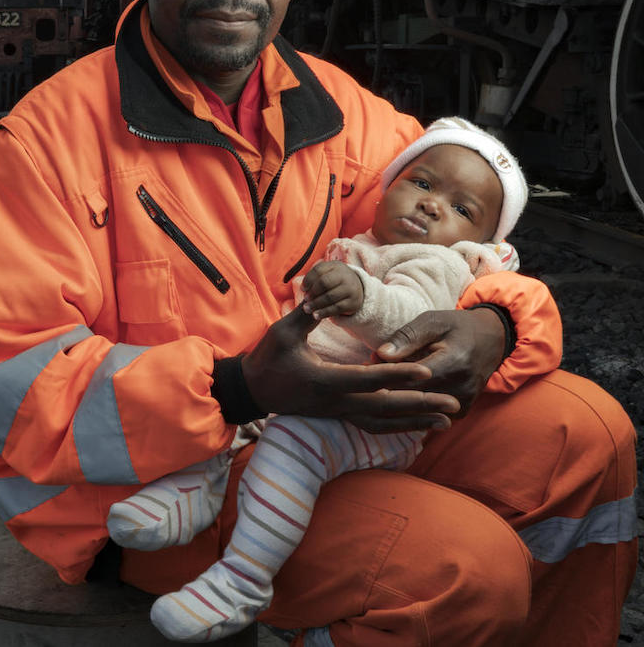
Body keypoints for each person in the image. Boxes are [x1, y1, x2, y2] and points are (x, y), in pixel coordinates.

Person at [0, 0, 637, 645]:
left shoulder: (343, 112)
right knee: (461, 570)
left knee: (589, 436)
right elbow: (10, 385)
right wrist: (236, 389)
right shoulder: (47, 142)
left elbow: (459, 240)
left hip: (319, 417)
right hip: (134, 486)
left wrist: (498, 324)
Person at [110, 117, 531, 641]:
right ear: (386, 188)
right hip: (314, 388)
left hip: (372, 415)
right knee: (226, 400)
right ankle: (196, 489)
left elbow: (411, 317)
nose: (431, 204)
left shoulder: (438, 261)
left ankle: (242, 579)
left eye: (462, 209)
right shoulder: (365, 244)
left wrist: (363, 298)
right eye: (421, 183)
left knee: (293, 443)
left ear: (480, 241)